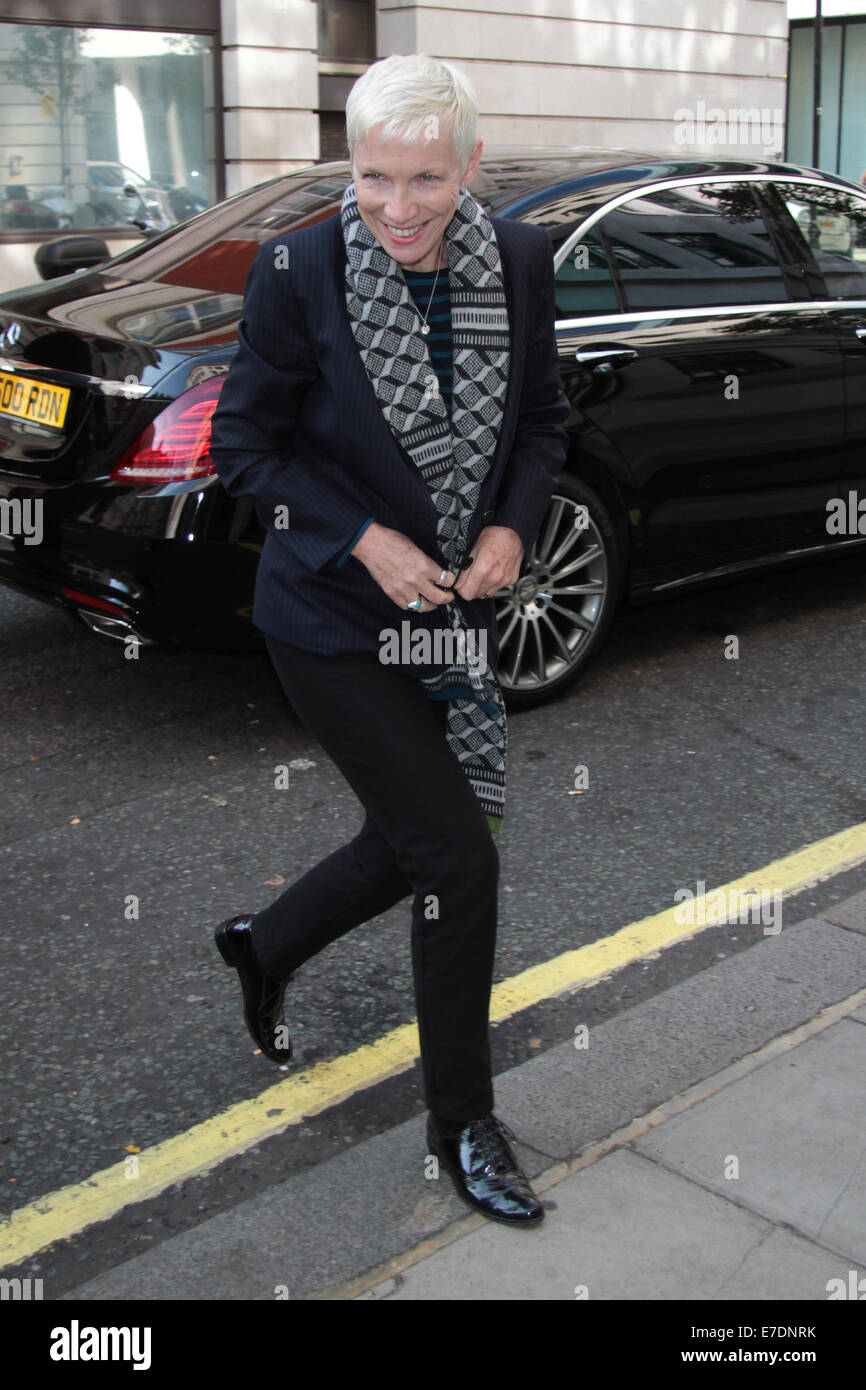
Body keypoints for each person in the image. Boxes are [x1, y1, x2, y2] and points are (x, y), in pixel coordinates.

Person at [208, 52, 570, 1227]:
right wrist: (362, 535)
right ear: (346, 166)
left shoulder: (516, 259)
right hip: (327, 618)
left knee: (414, 843)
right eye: (372, 177)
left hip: (451, 616)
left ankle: (264, 947)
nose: (398, 207)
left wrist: (512, 523)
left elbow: (540, 422)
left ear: (468, 166)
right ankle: (461, 1121)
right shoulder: (298, 269)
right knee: (456, 859)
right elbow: (245, 451)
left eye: (424, 177)